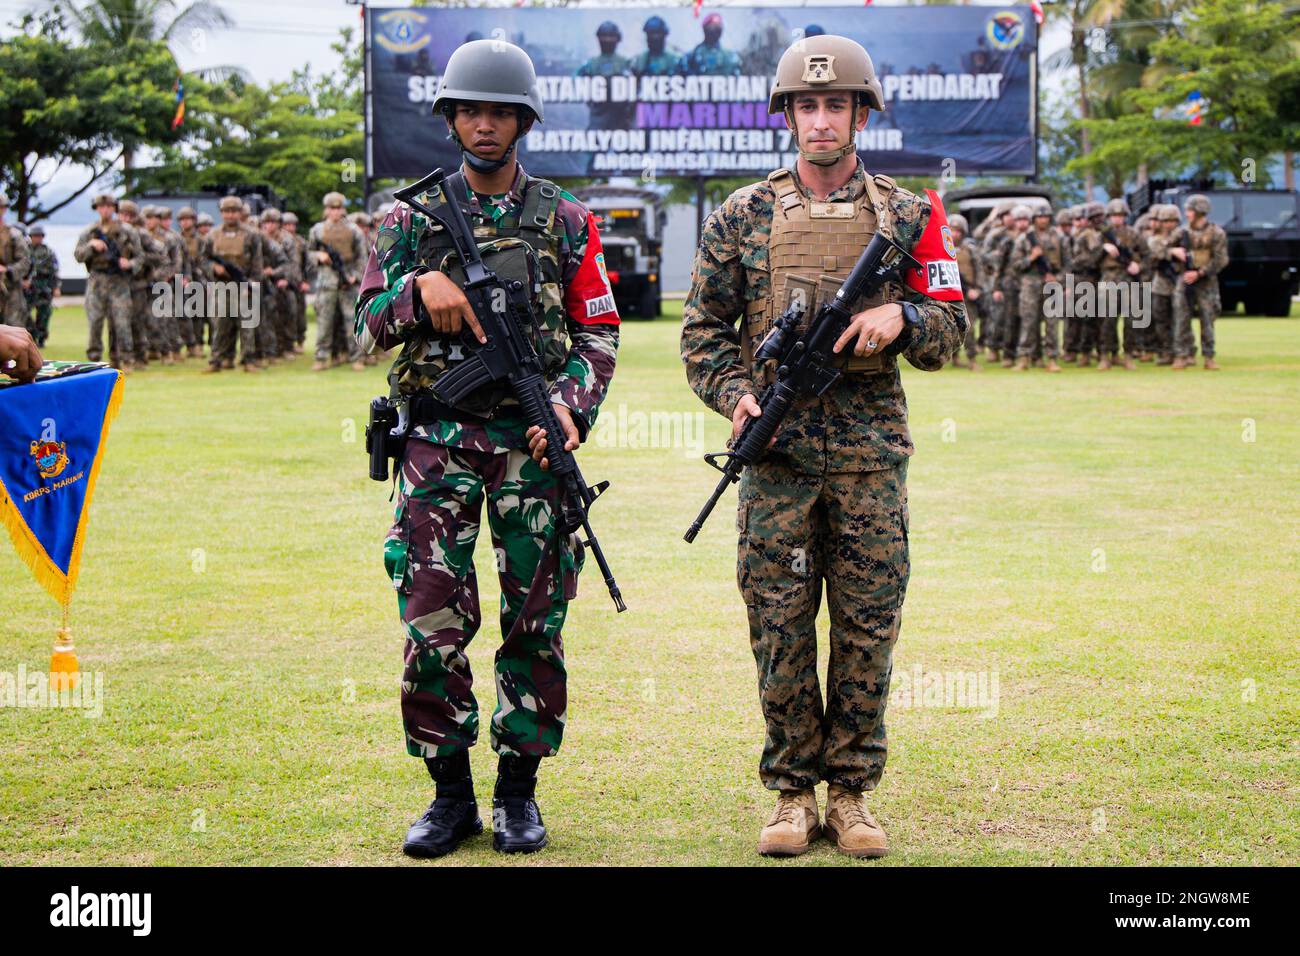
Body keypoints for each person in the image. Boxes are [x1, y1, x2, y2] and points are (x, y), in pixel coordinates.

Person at [680, 34, 965, 859]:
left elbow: (949, 328)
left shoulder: (911, 215)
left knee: (869, 625)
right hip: (776, 462)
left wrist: (903, 317)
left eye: (835, 103)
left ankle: (851, 795)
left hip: (870, 458)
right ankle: (791, 795)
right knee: (779, 624)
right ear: (789, 113)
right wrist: (736, 394)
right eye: (807, 105)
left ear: (860, 112)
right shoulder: (743, 214)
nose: (821, 120)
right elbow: (703, 334)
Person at [354, 38, 620, 858]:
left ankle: (517, 795)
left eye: (499, 111)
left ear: (522, 121)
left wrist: (570, 407)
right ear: (450, 118)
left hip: (534, 452)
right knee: (433, 617)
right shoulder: (408, 218)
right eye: (469, 109)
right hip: (437, 444)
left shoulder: (568, 220)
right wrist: (414, 291)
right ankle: (449, 797)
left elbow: (598, 331)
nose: (483, 124)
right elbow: (363, 325)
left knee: (535, 622)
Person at [74, 193, 140, 370]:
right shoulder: (89, 232)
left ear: (114, 208)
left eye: (109, 207)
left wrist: (129, 264)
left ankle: (124, 359)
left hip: (119, 281)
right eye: (101, 207)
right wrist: (91, 246)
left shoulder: (127, 231)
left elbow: (140, 259)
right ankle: (94, 360)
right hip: (97, 280)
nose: (105, 210)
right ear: (97, 209)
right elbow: (78, 256)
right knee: (95, 321)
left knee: (121, 322)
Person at [200, 195, 263, 373]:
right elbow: (203, 259)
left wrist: (252, 285)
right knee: (220, 325)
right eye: (227, 212)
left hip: (245, 285)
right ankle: (217, 360)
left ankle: (248, 360)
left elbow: (258, 264)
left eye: (234, 211)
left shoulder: (251, 235)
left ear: (240, 213)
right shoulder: (212, 235)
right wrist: (214, 267)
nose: (230, 215)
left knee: (247, 325)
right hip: (222, 285)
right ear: (221, 213)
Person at [308, 192, 366, 371]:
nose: (335, 212)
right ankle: (322, 357)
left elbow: (362, 258)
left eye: (338, 208)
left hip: (348, 281)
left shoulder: (354, 230)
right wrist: (319, 256)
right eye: (332, 208)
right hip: (326, 283)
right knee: (324, 322)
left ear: (343, 209)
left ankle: (356, 357)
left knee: (352, 322)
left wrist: (354, 277)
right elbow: (309, 253)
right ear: (326, 210)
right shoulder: (317, 230)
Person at [1174, 194, 1228, 371]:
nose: (1187, 214)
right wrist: (1173, 251)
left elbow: (1221, 259)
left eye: (1190, 210)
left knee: (1207, 318)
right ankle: (1182, 355)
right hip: (1185, 281)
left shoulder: (1216, 233)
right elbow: (1159, 247)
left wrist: (1200, 273)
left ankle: (1209, 356)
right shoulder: (1182, 232)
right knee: (1181, 318)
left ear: (1199, 212)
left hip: (1206, 282)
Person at [1010, 206, 1066, 371]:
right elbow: (1015, 265)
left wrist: (1058, 278)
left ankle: (1052, 358)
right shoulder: (1025, 238)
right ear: (1034, 219)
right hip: (1030, 283)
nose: (1043, 220)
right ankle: (1024, 357)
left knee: (1052, 323)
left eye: (1046, 216)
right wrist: (1031, 258)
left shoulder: (1059, 237)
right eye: (1040, 217)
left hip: (1052, 283)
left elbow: (1068, 263)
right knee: (1028, 321)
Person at [1097, 197, 1143, 370]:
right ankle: (1105, 355)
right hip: (1108, 278)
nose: (1117, 218)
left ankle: (1128, 355)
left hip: (1128, 279)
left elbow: (1148, 256)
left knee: (1130, 320)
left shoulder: (1134, 234)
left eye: (1120, 215)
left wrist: (1138, 266)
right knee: (1107, 320)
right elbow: (1090, 261)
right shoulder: (1102, 235)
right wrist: (1103, 249)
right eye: (1114, 215)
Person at [948, 213, 984, 370]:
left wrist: (977, 289)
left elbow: (980, 271)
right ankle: (952, 357)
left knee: (969, 328)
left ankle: (972, 359)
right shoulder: (942, 249)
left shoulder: (970, 250)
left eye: (958, 231)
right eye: (952, 230)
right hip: (949, 294)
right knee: (950, 327)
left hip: (968, 295)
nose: (955, 234)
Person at [24, 224, 60, 348]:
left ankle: (41, 338)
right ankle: (31, 334)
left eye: (39, 236)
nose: (37, 238)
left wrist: (56, 287)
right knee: (24, 312)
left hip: (44, 286)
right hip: (28, 286)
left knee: (44, 314)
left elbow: (55, 271)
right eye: (35, 236)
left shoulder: (48, 252)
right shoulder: (24, 250)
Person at [0, 193, 32, 328]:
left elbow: (25, 262)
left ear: (4, 209)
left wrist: (8, 270)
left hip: (11, 291)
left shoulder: (14, 235)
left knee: (14, 332)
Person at [676, 13, 741, 76]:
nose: (715, 30)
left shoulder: (730, 56)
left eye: (718, 27)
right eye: (712, 27)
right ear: (705, 29)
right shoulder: (692, 56)